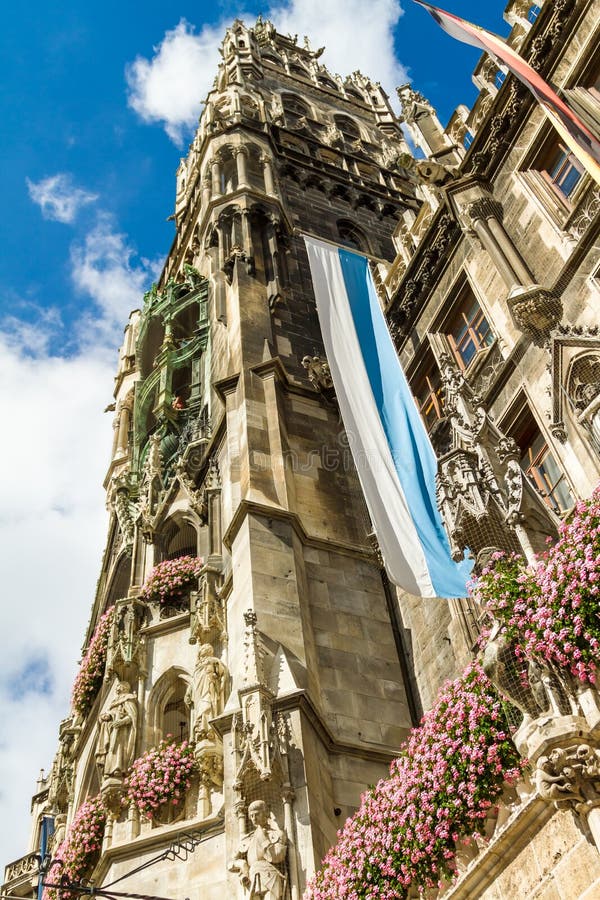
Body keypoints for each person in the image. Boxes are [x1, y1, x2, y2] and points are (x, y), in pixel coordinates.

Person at [230, 800, 287, 899]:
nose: (254, 818)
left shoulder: (277, 834)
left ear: (265, 814)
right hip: (252, 880)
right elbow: (230, 863)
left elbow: (278, 857)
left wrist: (263, 838)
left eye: (257, 814)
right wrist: (242, 865)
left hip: (271, 877)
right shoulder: (248, 839)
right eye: (251, 816)